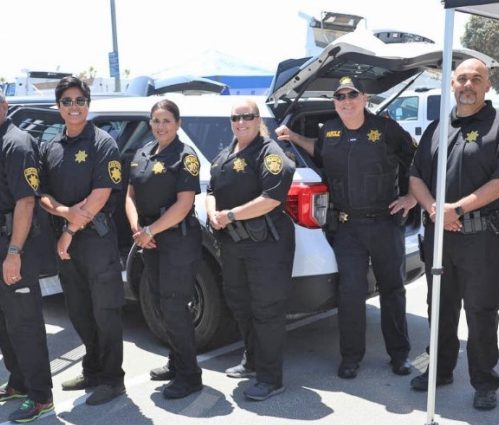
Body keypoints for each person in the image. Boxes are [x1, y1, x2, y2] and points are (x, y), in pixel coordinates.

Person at [276, 76, 416, 379]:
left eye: (352, 95)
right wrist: (293, 137)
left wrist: (412, 197)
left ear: (364, 98)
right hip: (347, 228)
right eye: (340, 97)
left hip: (384, 224)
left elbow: (417, 161)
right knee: (350, 293)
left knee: (392, 290)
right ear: (335, 103)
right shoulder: (330, 130)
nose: (346, 101)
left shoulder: (387, 130)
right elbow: (318, 149)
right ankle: (351, 357)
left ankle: (399, 355)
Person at [409, 58, 499, 410]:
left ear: (488, 85)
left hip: (481, 237)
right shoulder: (436, 128)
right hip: (440, 236)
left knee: (481, 310)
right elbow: (416, 176)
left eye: (476, 78)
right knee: (438, 306)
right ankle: (437, 370)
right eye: (462, 79)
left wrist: (456, 210)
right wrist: (433, 210)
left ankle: (484, 382)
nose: (468, 85)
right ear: (452, 85)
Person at [0, 80, 54, 423]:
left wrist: (14, 251)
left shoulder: (17, 144)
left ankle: (40, 396)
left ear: (3, 106)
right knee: (2, 321)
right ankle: (18, 382)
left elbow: (25, 202)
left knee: (24, 322)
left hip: (11, 243)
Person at [39, 76, 126, 406]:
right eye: (67, 102)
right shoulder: (52, 146)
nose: (74, 107)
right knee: (78, 310)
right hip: (67, 243)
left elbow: (102, 193)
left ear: (87, 104)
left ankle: (112, 378)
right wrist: (62, 211)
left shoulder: (103, 143)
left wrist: (69, 229)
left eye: (79, 101)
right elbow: (41, 194)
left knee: (106, 310)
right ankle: (93, 369)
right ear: (58, 106)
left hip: (95, 241)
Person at [205, 100, 295, 401]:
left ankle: (271, 378)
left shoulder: (269, 151)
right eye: (235, 117)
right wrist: (212, 212)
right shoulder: (227, 151)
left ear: (258, 120)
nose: (241, 122)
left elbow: (271, 198)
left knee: (266, 309)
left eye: (247, 116)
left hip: (265, 245)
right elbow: (210, 190)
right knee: (240, 303)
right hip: (233, 244)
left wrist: (229, 215)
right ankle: (253, 360)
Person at [125, 99, 203, 399]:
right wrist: (137, 230)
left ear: (178, 124)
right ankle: (175, 361)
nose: (160, 126)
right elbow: (129, 195)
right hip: (148, 238)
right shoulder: (143, 151)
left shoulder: (185, 156)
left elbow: (184, 204)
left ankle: (190, 375)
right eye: (156, 121)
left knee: (175, 306)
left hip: (176, 240)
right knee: (159, 302)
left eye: (166, 121)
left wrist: (149, 231)